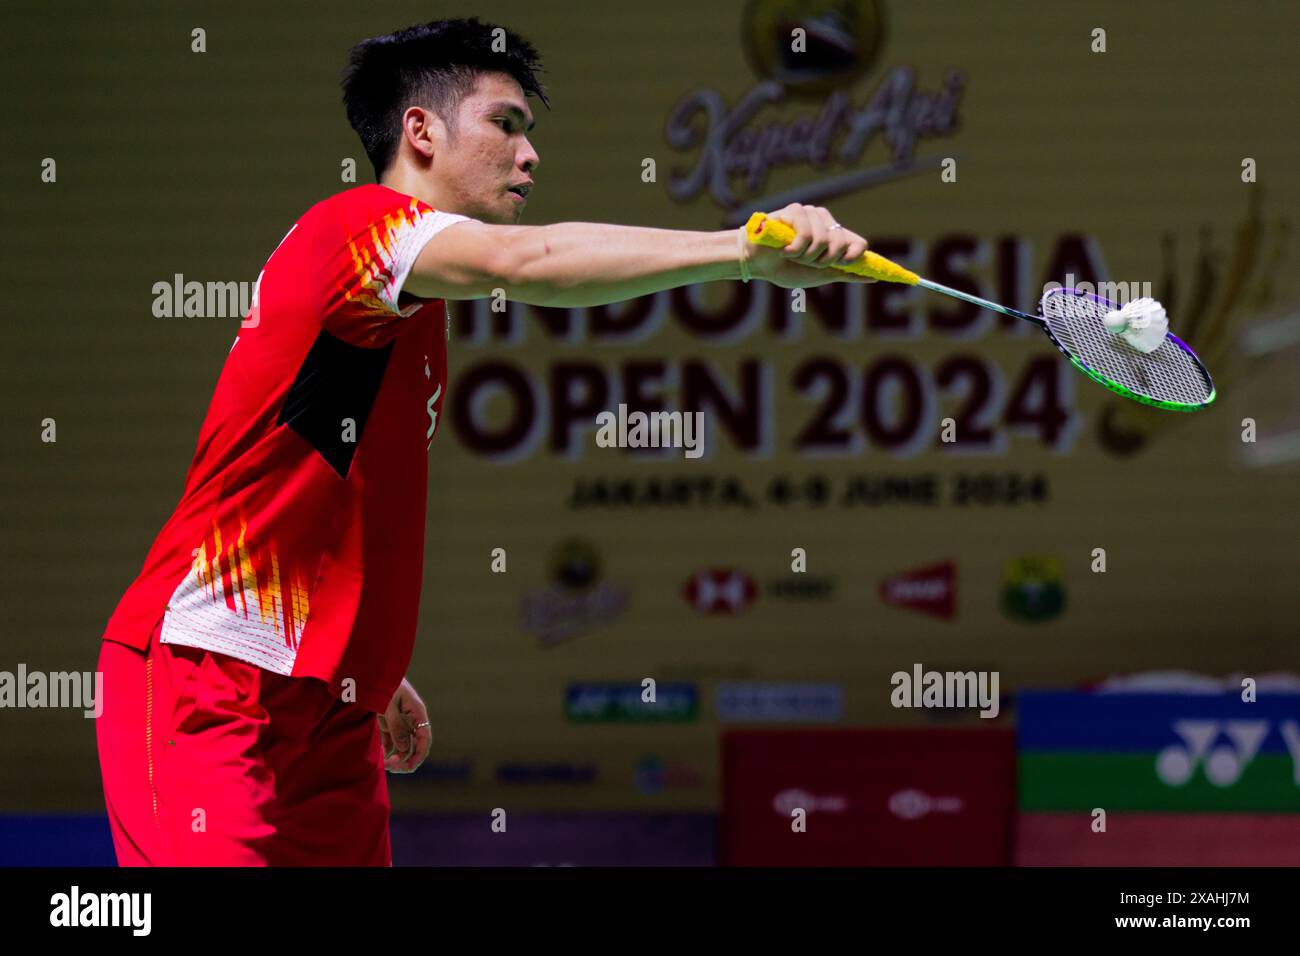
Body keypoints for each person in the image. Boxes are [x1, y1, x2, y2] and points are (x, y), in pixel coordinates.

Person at [95, 16, 875, 866]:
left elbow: (336, 494)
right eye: (505, 125)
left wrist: (359, 657)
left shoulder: (415, 312)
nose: (529, 155)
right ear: (419, 132)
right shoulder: (356, 230)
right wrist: (743, 251)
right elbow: (529, 260)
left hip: (329, 705)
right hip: (209, 679)